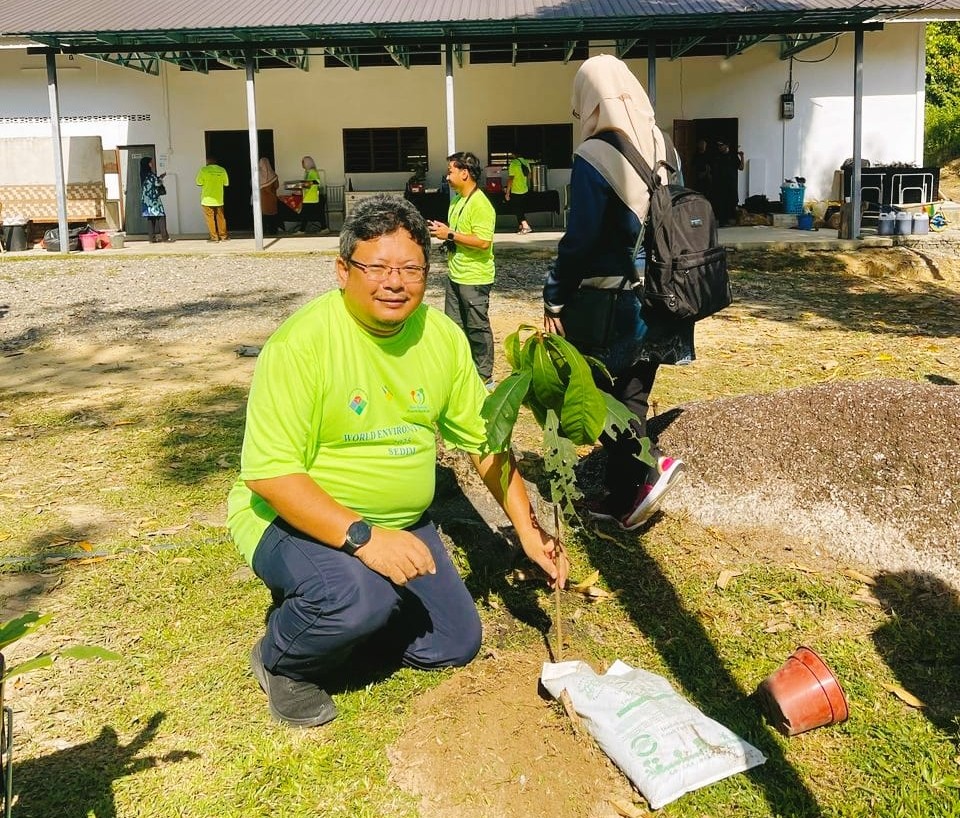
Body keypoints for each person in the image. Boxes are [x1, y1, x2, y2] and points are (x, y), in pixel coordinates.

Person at [227, 193, 567, 728]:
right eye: (377, 267)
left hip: (403, 522)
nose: (395, 282)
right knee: (352, 600)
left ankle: (349, 606)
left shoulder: (441, 337)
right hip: (292, 518)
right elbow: (270, 474)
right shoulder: (301, 344)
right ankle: (284, 659)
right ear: (342, 270)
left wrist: (526, 529)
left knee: (454, 643)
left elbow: (484, 442)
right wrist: (365, 541)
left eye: (411, 268)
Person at [543, 53, 688, 531]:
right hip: (665, 293)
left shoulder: (593, 155)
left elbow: (580, 240)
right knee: (634, 391)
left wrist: (554, 296)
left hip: (614, 301)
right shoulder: (664, 147)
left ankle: (647, 470)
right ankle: (624, 495)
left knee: (605, 393)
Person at [426, 152, 498, 387]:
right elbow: (457, 233)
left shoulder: (481, 205)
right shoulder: (457, 201)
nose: (447, 176)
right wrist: (445, 230)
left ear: (464, 173)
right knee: (454, 327)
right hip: (455, 274)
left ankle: (484, 377)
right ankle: (463, 372)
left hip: (475, 278)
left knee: (477, 328)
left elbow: (483, 241)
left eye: (450, 171)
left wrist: (450, 234)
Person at [196, 155, 229, 242]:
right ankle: (223, 236)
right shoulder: (222, 170)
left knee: (210, 219)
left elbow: (198, 182)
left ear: (207, 162)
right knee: (221, 218)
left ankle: (214, 237)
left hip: (206, 200)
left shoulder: (203, 170)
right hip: (219, 199)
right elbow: (226, 183)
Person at [711, 140, 744, 227]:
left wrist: (742, 157)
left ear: (726, 146)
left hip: (731, 183)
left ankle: (733, 220)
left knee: (732, 202)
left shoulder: (733, 156)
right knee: (721, 203)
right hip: (720, 184)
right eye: (718, 146)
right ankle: (723, 221)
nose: (719, 147)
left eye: (721, 145)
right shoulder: (717, 156)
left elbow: (741, 168)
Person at [139, 156, 173, 243]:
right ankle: (165, 237)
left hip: (146, 200)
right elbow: (157, 183)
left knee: (151, 219)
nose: (152, 164)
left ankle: (152, 238)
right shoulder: (150, 175)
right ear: (147, 164)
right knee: (161, 216)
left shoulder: (143, 174)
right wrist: (161, 177)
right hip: (153, 199)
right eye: (150, 163)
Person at [298, 155, 328, 234]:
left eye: (303, 162)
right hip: (309, 197)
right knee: (316, 213)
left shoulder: (312, 172)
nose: (302, 164)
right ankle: (324, 228)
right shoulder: (308, 172)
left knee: (306, 213)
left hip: (312, 197)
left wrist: (302, 185)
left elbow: (316, 182)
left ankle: (302, 230)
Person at [505, 152, 533, 234]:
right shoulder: (525, 162)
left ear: (514, 155)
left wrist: (507, 192)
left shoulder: (513, 164)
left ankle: (526, 226)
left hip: (516, 190)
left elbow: (510, 179)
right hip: (525, 189)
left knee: (517, 210)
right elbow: (530, 176)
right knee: (521, 208)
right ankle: (521, 227)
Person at [258, 157, 281, 236]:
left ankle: (263, 231)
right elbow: (277, 186)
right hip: (272, 198)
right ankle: (273, 231)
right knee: (273, 214)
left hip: (262, 199)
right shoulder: (274, 175)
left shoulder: (258, 175)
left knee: (264, 215)